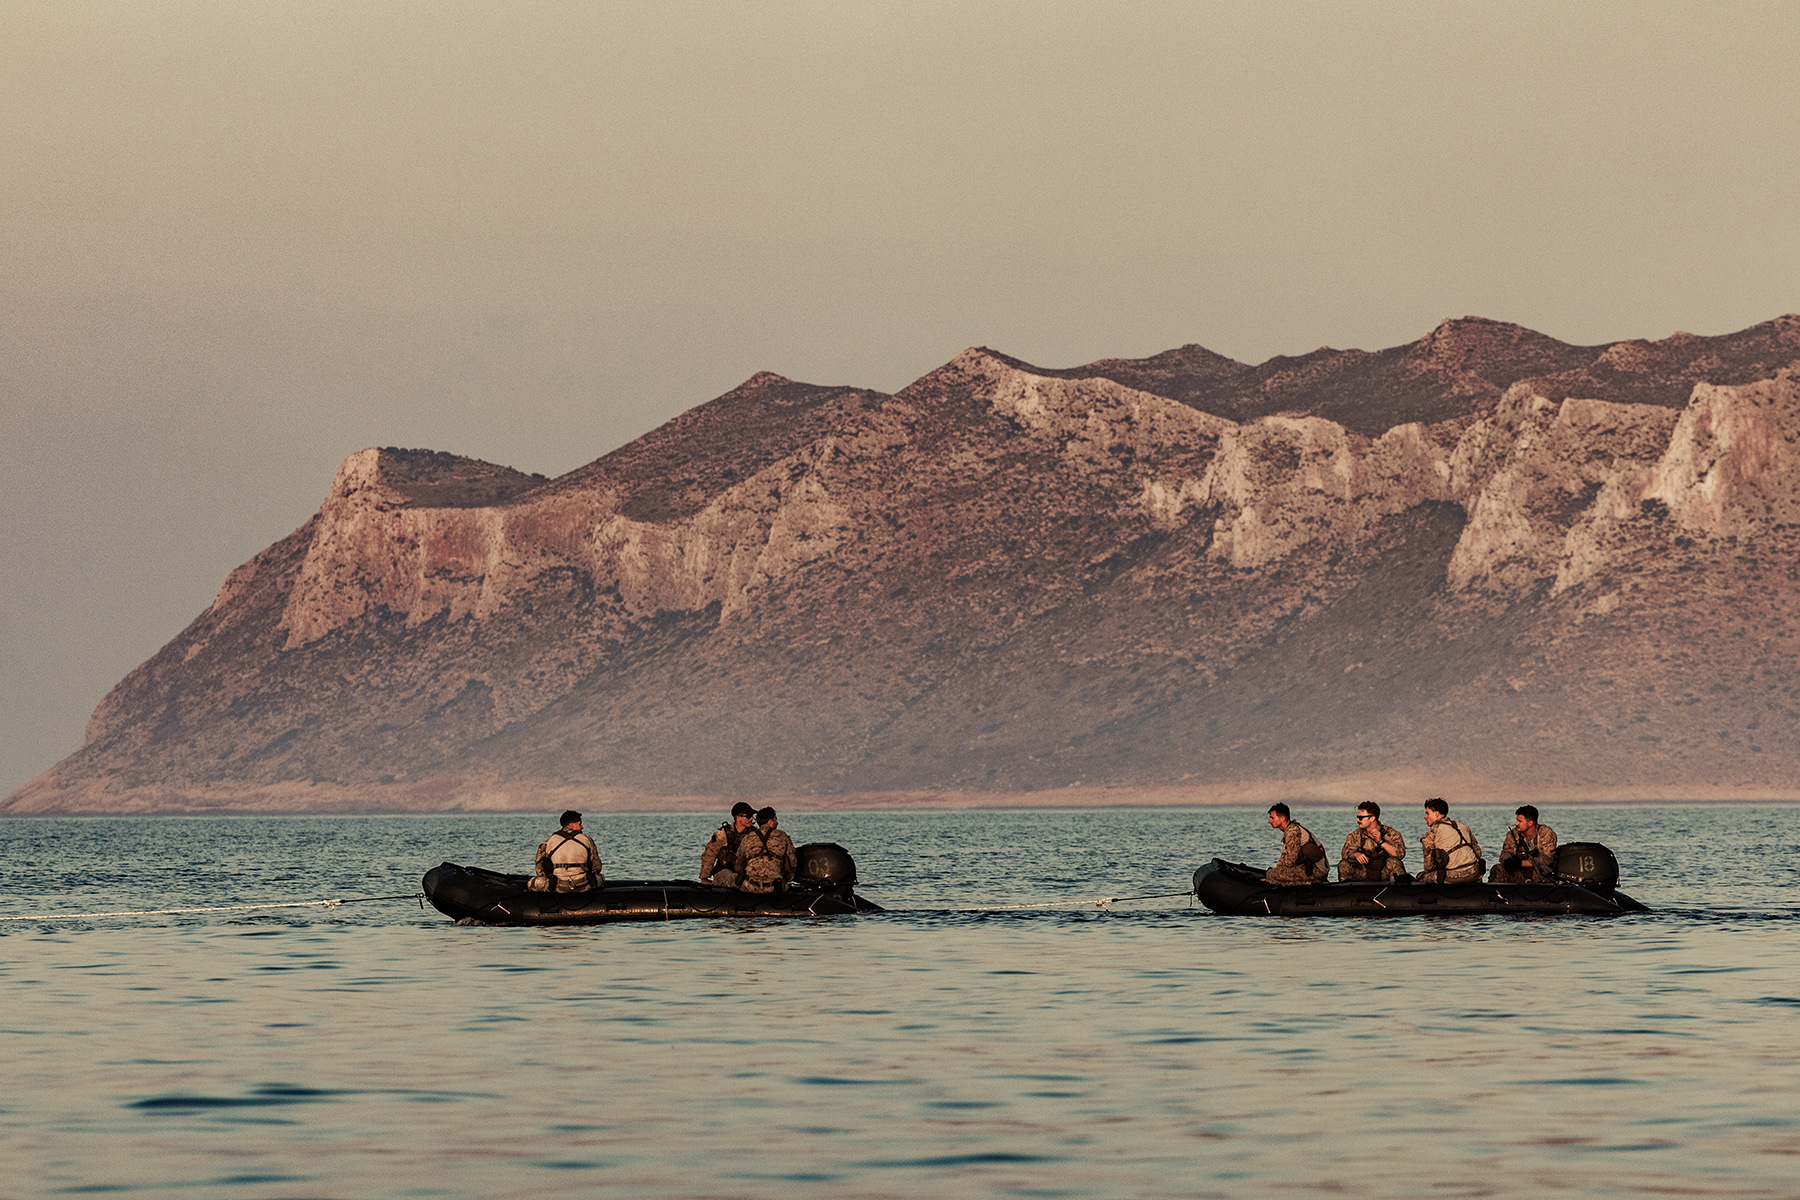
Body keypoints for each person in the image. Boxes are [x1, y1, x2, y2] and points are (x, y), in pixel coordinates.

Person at [528, 810, 603, 893]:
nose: (582, 827)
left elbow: (539, 868)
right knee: (601, 878)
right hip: (583, 885)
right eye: (580, 824)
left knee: (531, 883)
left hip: (558, 887)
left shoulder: (548, 842)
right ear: (572, 825)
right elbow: (597, 868)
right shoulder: (588, 840)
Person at [1416, 798, 1484, 884]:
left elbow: (1429, 867)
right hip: (1473, 874)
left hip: (1452, 877)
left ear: (1436, 814)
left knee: (1421, 876)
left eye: (1427, 813)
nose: (1425, 817)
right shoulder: (1463, 826)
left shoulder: (1432, 832)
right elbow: (1478, 853)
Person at [734, 806, 799, 894]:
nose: (777, 823)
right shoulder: (782, 836)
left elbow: (738, 865)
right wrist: (788, 878)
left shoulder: (748, 837)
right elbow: (792, 861)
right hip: (774, 887)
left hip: (751, 887)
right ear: (770, 822)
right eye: (776, 820)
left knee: (724, 876)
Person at [1338, 802, 1407, 882]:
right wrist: (1356, 854)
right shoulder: (1356, 835)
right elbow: (1345, 853)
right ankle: (1348, 891)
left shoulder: (1390, 833)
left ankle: (1398, 891)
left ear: (1372, 818)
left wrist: (1381, 842)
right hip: (1363, 872)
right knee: (1344, 864)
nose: (1357, 820)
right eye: (1357, 817)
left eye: (1361, 818)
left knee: (1394, 863)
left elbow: (1400, 854)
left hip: (1384, 873)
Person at [1263, 803, 1330, 886]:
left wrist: (1276, 872)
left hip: (1316, 871)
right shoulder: (1292, 828)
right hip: (1311, 868)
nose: (1269, 821)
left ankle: (1311, 882)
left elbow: (1290, 860)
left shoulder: (1292, 831)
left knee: (1271, 874)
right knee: (1273, 873)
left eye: (1272, 818)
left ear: (1282, 818)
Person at [1489, 805, 1558, 883]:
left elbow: (1547, 860)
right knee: (1498, 868)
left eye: (1520, 821)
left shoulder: (1545, 834)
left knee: (1539, 870)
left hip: (1539, 873)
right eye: (1516, 820)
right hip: (1519, 871)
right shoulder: (1513, 834)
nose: (1516, 823)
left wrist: (1521, 863)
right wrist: (1508, 860)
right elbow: (1505, 852)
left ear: (1530, 823)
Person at [700, 802, 756, 888]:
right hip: (723, 871)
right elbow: (709, 855)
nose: (751, 818)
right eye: (748, 816)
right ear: (738, 818)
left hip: (744, 872)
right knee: (735, 880)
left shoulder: (754, 835)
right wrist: (704, 878)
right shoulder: (723, 835)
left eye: (752, 816)